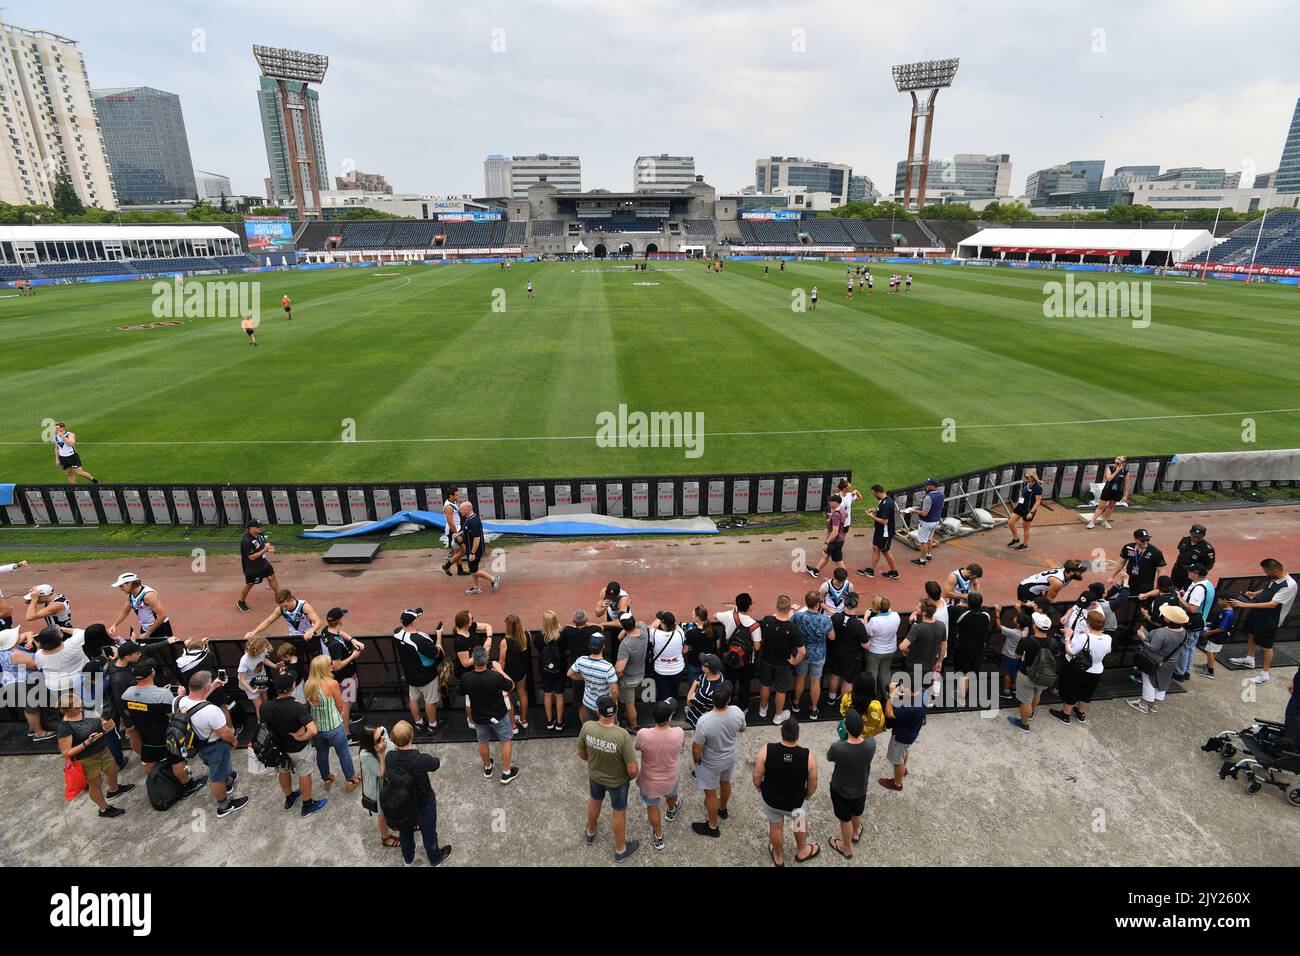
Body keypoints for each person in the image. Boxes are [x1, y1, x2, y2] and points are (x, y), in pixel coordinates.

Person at [121, 661, 204, 796]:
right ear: (152, 673)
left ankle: (156, 782)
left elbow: (127, 713)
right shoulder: (163, 694)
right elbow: (175, 715)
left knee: (149, 762)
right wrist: (179, 696)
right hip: (167, 736)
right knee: (178, 761)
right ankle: (188, 786)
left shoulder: (127, 693)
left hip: (146, 737)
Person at [175, 671, 248, 818]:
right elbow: (224, 733)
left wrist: (212, 687)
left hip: (198, 745)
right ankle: (224, 806)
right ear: (205, 687)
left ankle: (227, 780)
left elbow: (196, 703)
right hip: (215, 746)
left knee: (214, 766)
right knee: (216, 777)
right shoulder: (212, 711)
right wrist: (233, 741)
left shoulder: (178, 701)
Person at [577, 695, 640, 862]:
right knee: (618, 812)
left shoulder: (587, 727)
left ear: (598, 712)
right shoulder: (622, 735)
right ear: (615, 711)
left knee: (594, 800)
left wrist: (594, 763)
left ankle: (590, 832)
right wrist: (630, 777)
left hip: (596, 776)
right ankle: (620, 849)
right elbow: (632, 768)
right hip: (618, 782)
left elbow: (581, 753)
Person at [383, 721, 453, 866]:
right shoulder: (421, 759)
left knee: (405, 832)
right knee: (429, 832)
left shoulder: (389, 757)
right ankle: (435, 858)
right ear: (411, 736)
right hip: (424, 802)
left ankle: (408, 859)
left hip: (403, 804)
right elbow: (436, 763)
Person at [754, 717, 819, 865]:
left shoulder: (767, 750)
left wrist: (758, 787)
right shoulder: (808, 756)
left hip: (771, 800)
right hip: (796, 802)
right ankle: (802, 851)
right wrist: (808, 796)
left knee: (776, 827)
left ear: (781, 732)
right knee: (799, 823)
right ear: (798, 735)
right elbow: (813, 782)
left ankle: (778, 857)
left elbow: (757, 775)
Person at [261, 672, 327, 816]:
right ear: (292, 686)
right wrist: (302, 737)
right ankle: (307, 804)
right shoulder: (297, 707)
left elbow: (264, 726)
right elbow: (313, 730)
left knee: (283, 771)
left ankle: (289, 797)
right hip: (298, 749)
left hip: (278, 749)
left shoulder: (265, 707)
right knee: (304, 774)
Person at [58, 694, 133, 817]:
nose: (79, 709)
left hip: (102, 749)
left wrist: (106, 724)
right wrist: (86, 743)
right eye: (76, 708)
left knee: (113, 769)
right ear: (66, 710)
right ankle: (104, 809)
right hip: (86, 759)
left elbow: (101, 721)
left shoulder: (86, 710)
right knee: (96, 783)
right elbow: (66, 753)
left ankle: (114, 790)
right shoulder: (65, 727)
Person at [690, 681, 747, 838]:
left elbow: (696, 748)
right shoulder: (737, 712)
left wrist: (697, 761)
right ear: (728, 699)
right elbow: (742, 728)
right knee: (725, 783)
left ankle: (713, 826)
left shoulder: (704, 721)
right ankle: (722, 808)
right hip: (729, 757)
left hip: (711, 762)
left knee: (710, 794)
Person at [1229, 559, 1297, 686]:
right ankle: (1250, 659)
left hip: (1270, 618)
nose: (1265, 573)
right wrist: (1255, 593)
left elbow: (1273, 605)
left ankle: (1264, 674)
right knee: (1251, 633)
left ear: (1275, 570)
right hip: (1258, 612)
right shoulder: (1274, 577)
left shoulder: (1289, 585)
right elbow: (1269, 587)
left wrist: (1245, 604)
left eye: (1266, 571)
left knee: (1267, 646)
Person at [459, 645, 520, 784]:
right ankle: (506, 772)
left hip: (479, 716)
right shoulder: (495, 677)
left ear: (473, 660)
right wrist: (499, 670)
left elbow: (461, 692)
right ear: (486, 661)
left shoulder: (466, 678)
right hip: (498, 715)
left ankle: (487, 767)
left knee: (483, 741)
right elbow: (511, 685)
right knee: (505, 740)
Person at [305, 654, 360, 792]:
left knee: (321, 753)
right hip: (334, 727)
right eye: (329, 664)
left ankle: (327, 778)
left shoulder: (308, 685)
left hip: (317, 728)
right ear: (324, 668)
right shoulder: (332, 684)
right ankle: (351, 779)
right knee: (343, 753)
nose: (332, 666)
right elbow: (340, 704)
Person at [635, 699, 684, 851]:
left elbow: (637, 747)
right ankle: (671, 812)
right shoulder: (678, 732)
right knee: (672, 794)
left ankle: (658, 836)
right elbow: (681, 746)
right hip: (670, 777)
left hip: (649, 781)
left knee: (652, 806)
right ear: (669, 718)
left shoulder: (643, 734)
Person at [826, 708, 874, 859]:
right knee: (857, 812)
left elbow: (829, 757)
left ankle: (846, 848)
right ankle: (856, 833)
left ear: (846, 728)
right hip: (861, 788)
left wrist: (842, 739)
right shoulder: (871, 744)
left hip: (841, 790)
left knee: (845, 819)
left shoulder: (838, 748)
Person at [1051, 609, 1112, 724]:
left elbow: (1070, 652)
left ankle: (1065, 714)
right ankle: (1081, 713)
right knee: (1087, 692)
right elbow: (1107, 651)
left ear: (1089, 623)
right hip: (1097, 670)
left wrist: (1068, 637)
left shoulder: (1085, 638)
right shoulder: (1108, 638)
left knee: (1071, 689)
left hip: (1078, 669)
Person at [1128, 606, 1188, 714]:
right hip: (1170, 662)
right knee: (1162, 682)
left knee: (1149, 681)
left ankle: (1143, 703)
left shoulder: (1162, 633)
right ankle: (1153, 704)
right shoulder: (1184, 632)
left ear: (1169, 620)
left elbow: (1152, 647)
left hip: (1154, 660)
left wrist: (1142, 637)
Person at [1007, 612, 1060, 733]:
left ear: (1035, 626)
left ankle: (1024, 723)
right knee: (1037, 694)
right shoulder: (1053, 642)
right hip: (1044, 675)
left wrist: (1023, 639)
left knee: (1025, 700)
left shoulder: (1026, 641)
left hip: (1027, 675)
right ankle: (1030, 714)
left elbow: (1016, 655)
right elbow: (1057, 654)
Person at [393, 607, 443, 734]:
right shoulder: (420, 639)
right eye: (417, 618)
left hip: (410, 675)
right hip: (427, 676)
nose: (419, 619)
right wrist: (439, 636)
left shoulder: (397, 632)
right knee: (430, 701)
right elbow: (436, 653)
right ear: (413, 622)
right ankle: (432, 725)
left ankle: (418, 723)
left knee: (413, 699)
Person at [758, 595, 805, 724]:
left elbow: (776, 619)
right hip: (784, 664)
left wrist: (790, 611)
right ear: (789, 608)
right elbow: (802, 651)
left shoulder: (767, 621)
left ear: (776, 607)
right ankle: (778, 715)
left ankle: (763, 709)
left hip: (767, 661)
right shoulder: (793, 628)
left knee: (765, 685)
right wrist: (795, 661)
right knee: (781, 690)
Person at [321, 608, 365, 731]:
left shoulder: (326, 630)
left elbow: (340, 633)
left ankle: (347, 719)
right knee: (346, 705)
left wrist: (352, 640)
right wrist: (352, 656)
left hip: (340, 677)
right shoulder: (334, 645)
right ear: (341, 620)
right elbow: (337, 666)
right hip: (345, 677)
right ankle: (346, 734)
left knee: (346, 704)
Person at [879, 681, 925, 791]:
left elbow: (889, 713)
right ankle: (903, 770)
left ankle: (897, 783)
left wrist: (891, 695)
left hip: (902, 735)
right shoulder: (923, 692)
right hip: (912, 732)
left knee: (897, 761)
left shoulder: (911, 708)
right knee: (904, 751)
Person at [792, 591, 832, 719]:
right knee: (815, 681)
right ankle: (814, 709)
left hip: (803, 653)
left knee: (800, 678)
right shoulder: (825, 619)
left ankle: (796, 703)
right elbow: (832, 636)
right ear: (818, 604)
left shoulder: (799, 616)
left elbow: (789, 621)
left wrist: (793, 609)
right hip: (819, 655)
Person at [358, 725, 399, 847]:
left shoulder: (382, 731)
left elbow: (394, 747)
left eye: (381, 734)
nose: (382, 737)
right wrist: (381, 754)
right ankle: (385, 837)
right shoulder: (365, 755)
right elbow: (381, 774)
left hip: (394, 776)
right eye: (378, 739)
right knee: (382, 813)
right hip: (381, 785)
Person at [1173, 564, 1215, 682]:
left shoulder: (1199, 588)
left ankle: (1179, 673)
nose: (1188, 573)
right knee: (1191, 647)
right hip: (1200, 621)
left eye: (1190, 571)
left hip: (1192, 622)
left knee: (1184, 648)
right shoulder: (1208, 584)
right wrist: (1184, 594)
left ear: (1195, 574)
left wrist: (1179, 598)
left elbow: (1192, 609)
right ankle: (1186, 671)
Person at [561, 609, 603, 723]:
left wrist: (576, 624)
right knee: (596, 695)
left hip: (577, 670)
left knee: (579, 700)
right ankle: (599, 722)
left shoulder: (568, 630)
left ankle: (585, 725)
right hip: (592, 669)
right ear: (587, 620)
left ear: (573, 621)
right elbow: (600, 627)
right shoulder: (594, 630)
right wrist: (587, 623)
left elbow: (566, 627)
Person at [825, 593, 868, 705]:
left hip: (836, 653)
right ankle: (845, 703)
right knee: (848, 680)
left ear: (844, 602)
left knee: (835, 675)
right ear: (857, 605)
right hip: (852, 657)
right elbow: (866, 645)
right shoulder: (859, 625)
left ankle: (831, 698)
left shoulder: (835, 618)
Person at [950, 592, 992, 705]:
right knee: (970, 672)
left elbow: (950, 609)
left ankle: (961, 696)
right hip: (978, 649)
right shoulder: (986, 613)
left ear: (968, 603)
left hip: (963, 648)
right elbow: (983, 606)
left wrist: (964, 606)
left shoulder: (961, 613)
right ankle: (964, 693)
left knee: (963, 673)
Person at [714, 596, 756, 709]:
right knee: (745, 685)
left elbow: (715, 615)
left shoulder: (728, 616)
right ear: (750, 607)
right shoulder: (754, 625)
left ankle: (728, 703)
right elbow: (756, 647)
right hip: (746, 661)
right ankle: (743, 708)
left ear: (736, 605)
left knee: (729, 681)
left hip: (729, 658)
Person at [108, 572, 172, 640]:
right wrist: (114, 625)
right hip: (146, 628)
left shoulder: (148, 595)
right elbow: (125, 612)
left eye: (121, 586)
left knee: (166, 649)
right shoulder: (130, 595)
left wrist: (148, 633)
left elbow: (162, 616)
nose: (121, 589)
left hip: (160, 628)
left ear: (129, 583)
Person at [899, 598, 945, 688]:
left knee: (909, 694)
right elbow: (944, 646)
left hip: (912, 668)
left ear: (923, 612)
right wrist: (939, 661)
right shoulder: (941, 626)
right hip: (929, 668)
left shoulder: (917, 629)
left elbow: (902, 646)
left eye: (919, 607)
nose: (916, 607)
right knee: (924, 694)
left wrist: (908, 652)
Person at [613, 613, 647, 728]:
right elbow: (640, 622)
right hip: (641, 673)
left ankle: (634, 726)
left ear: (623, 626)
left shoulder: (625, 644)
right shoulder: (643, 630)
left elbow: (619, 669)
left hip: (628, 679)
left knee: (629, 704)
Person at [459, 500, 500, 594]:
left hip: (475, 550)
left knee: (473, 571)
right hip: (470, 549)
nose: (460, 511)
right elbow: (466, 529)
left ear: (468, 509)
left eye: (462, 510)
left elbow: (477, 539)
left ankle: (493, 579)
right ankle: (476, 587)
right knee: (473, 568)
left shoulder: (474, 522)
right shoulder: (468, 518)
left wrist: (472, 553)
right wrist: (459, 533)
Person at [237, 521, 279, 612]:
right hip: (252, 567)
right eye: (258, 527)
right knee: (250, 584)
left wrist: (269, 548)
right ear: (252, 528)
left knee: (272, 577)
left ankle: (279, 595)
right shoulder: (246, 541)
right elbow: (252, 557)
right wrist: (265, 549)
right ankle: (241, 602)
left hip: (263, 562)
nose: (261, 528)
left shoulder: (260, 535)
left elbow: (263, 544)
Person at [645, 611, 686, 705]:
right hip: (678, 670)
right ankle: (674, 709)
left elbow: (652, 626)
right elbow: (677, 627)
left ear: (662, 624)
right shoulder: (680, 634)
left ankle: (665, 712)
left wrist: (659, 619)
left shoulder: (655, 634)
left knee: (663, 692)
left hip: (661, 671)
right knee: (675, 690)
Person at [538, 610, 567, 731]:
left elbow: (538, 649)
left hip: (545, 670)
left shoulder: (540, 638)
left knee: (547, 694)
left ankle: (550, 721)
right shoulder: (561, 636)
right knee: (559, 695)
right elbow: (566, 648)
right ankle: (559, 723)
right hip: (560, 669)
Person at [864, 595, 900, 694]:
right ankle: (888, 695)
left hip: (874, 652)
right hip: (890, 650)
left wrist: (866, 617)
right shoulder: (896, 616)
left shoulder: (874, 621)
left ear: (876, 608)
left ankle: (872, 696)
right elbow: (890, 611)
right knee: (886, 672)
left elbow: (867, 632)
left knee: (872, 674)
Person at [502, 614, 532, 732]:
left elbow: (502, 662)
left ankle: (513, 725)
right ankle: (523, 720)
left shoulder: (505, 641)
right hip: (521, 672)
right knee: (522, 694)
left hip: (508, 674)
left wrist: (497, 670)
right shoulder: (526, 636)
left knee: (508, 697)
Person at [1114, 529, 1165, 598]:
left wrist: (1160, 586)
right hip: (1128, 583)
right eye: (1142, 540)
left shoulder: (1155, 552)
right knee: (1125, 603)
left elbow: (1160, 570)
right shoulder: (1128, 548)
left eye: (1147, 539)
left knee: (1142, 606)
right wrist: (1112, 576)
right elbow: (1121, 562)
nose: (1145, 542)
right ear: (1135, 539)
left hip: (1145, 586)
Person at [808, 494, 848, 578]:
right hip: (840, 539)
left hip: (835, 541)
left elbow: (835, 532)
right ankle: (816, 571)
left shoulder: (836, 515)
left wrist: (827, 542)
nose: (829, 502)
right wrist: (831, 516)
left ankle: (845, 579)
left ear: (836, 502)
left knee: (838, 561)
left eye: (831, 501)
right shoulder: (842, 511)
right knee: (826, 555)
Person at [1197, 596, 1237, 680]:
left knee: (1209, 651)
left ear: (1225, 600)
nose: (1218, 601)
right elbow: (1219, 622)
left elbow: (1222, 628)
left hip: (1218, 636)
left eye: (1219, 600)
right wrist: (1209, 624)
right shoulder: (1225, 610)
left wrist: (1209, 632)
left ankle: (1210, 672)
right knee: (1213, 651)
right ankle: (1208, 665)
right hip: (1218, 635)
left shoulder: (1228, 614)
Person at [907, 478, 944, 567]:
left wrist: (913, 510)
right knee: (930, 538)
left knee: (923, 541)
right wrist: (923, 503)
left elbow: (924, 513)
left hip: (926, 522)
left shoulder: (928, 497)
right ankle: (928, 555)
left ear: (932, 486)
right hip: (935, 521)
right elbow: (940, 506)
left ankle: (922, 561)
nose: (926, 486)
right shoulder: (941, 494)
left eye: (927, 485)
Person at [685, 653, 725, 728]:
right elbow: (700, 678)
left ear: (707, 669)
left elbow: (689, 702)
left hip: (701, 721)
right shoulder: (718, 674)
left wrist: (694, 685)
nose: (701, 664)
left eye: (703, 664)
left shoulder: (705, 692)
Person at [237, 636, 273, 720]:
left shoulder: (263, 650)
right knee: (259, 706)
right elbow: (242, 679)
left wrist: (275, 666)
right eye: (262, 647)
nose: (265, 649)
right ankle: (262, 726)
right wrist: (251, 690)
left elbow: (263, 660)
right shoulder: (244, 660)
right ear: (256, 649)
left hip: (261, 678)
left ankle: (268, 721)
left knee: (265, 702)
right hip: (248, 682)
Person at [1018, 560, 1086, 603]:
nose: (1081, 573)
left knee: (1038, 607)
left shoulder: (1067, 572)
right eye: (1079, 571)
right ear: (1071, 572)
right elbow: (1048, 598)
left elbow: (1048, 591)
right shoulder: (1058, 582)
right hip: (1026, 589)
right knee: (1031, 609)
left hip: (1034, 589)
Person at [1006, 469, 1042, 551]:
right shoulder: (1026, 483)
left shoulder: (1037, 487)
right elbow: (1023, 495)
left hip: (1028, 510)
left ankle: (1025, 544)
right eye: (1025, 477)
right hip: (1020, 507)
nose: (1026, 478)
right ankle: (1016, 539)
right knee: (1011, 522)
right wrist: (1018, 502)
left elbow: (1038, 501)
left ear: (1032, 477)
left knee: (1025, 528)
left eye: (1027, 477)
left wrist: (1031, 512)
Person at [1172, 523, 1216, 590]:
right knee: (1173, 589)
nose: (1196, 538)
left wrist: (1197, 573)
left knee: (1189, 593)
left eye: (1199, 537)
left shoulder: (1207, 549)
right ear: (1190, 532)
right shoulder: (1185, 540)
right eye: (1194, 536)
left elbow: (1209, 565)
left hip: (1191, 575)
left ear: (1204, 535)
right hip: (1177, 570)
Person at [1088, 456, 1127, 529]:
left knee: (1111, 506)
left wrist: (1125, 495)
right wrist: (1116, 471)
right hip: (1108, 489)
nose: (1116, 464)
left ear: (1123, 464)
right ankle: (1092, 522)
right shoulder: (1110, 468)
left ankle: (1104, 521)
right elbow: (1109, 479)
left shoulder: (1126, 471)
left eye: (1118, 463)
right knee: (1101, 506)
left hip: (1118, 491)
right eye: (1115, 462)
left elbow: (1126, 484)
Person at [439, 488, 469, 577]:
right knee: (463, 550)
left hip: (457, 529)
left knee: (457, 550)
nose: (458, 496)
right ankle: (447, 566)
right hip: (453, 531)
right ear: (451, 496)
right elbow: (450, 522)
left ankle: (460, 570)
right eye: (456, 495)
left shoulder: (452, 502)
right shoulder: (448, 507)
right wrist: (456, 534)